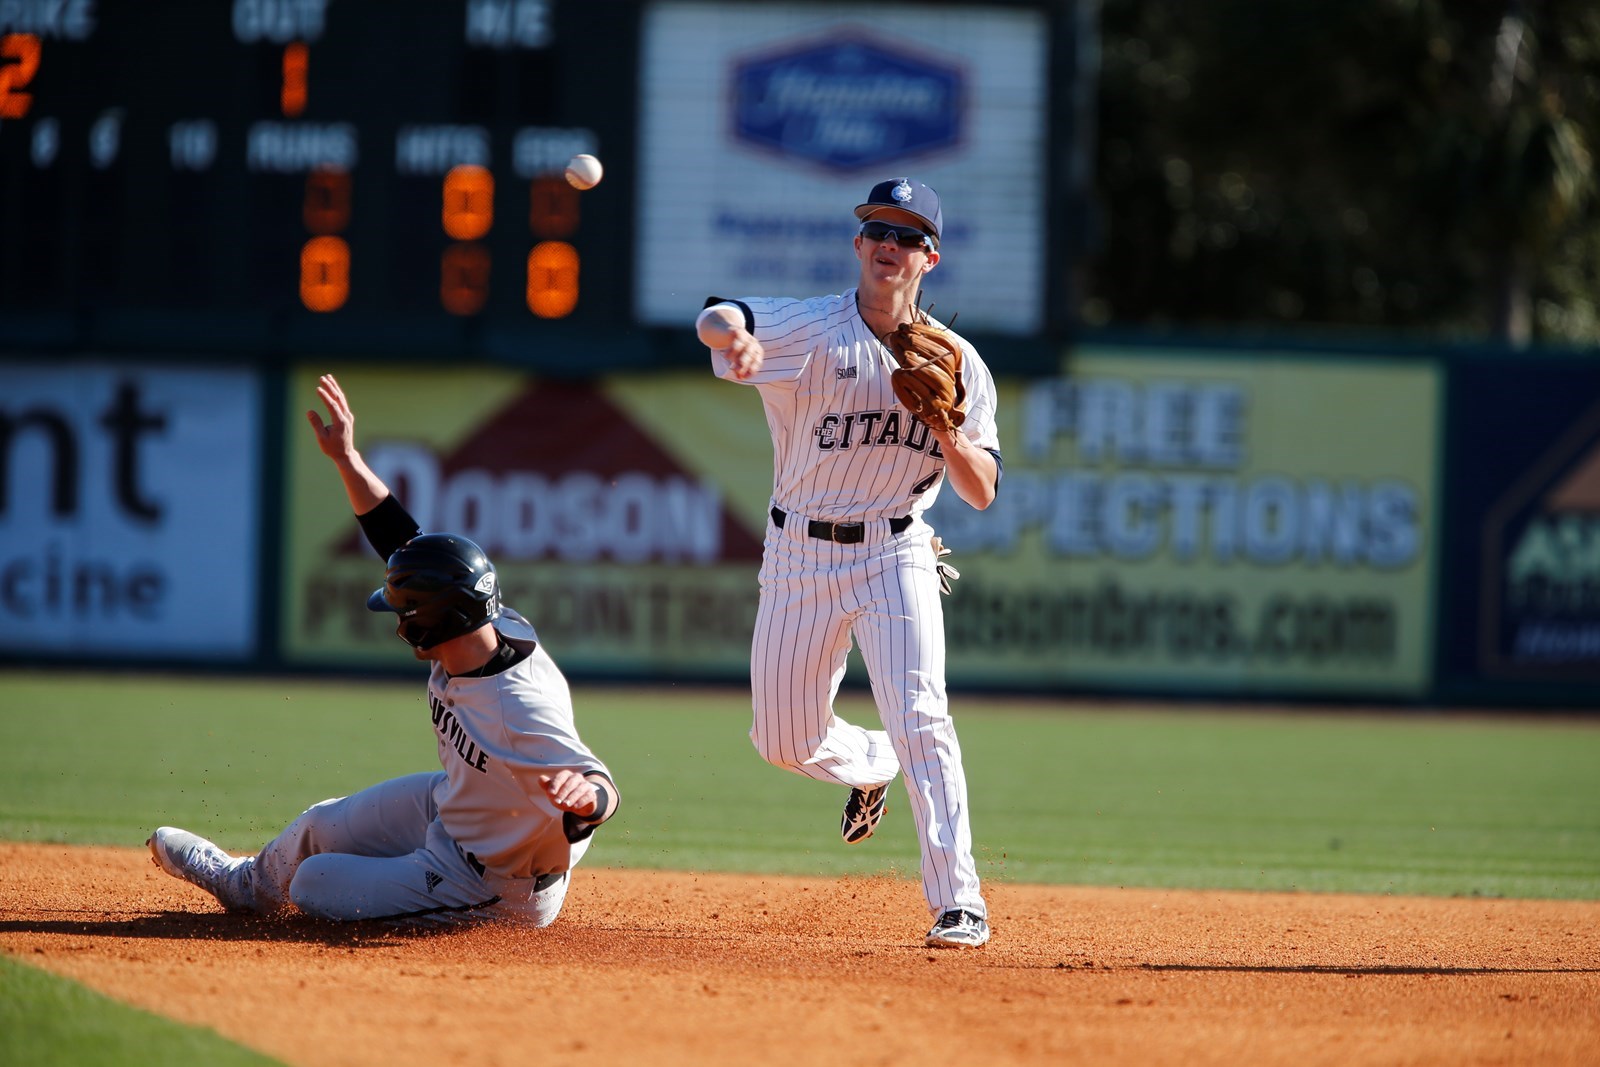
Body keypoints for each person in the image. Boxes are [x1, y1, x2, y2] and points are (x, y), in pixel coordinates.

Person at [146, 374, 619, 927]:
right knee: (319, 826)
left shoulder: (516, 708)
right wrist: (346, 458)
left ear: (428, 624)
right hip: (455, 808)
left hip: (496, 883)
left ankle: (392, 891)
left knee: (315, 883)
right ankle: (243, 884)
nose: (397, 619)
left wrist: (585, 798)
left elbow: (600, 786)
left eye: (402, 612)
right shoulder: (488, 624)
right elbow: (404, 543)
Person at [694, 177, 1001, 948]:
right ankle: (870, 761)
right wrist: (738, 343)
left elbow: (984, 490)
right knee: (783, 741)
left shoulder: (958, 361)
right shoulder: (810, 329)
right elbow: (719, 319)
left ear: (930, 256)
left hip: (898, 551)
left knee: (923, 715)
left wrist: (949, 430)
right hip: (798, 550)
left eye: (905, 237)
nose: (888, 247)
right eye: (877, 233)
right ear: (859, 245)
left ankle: (959, 900)